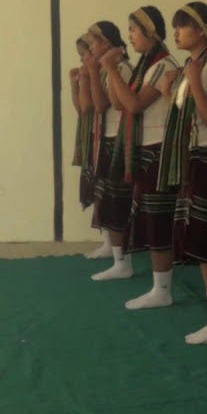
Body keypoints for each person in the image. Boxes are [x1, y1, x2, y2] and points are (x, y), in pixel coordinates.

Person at [156, 2, 207, 345]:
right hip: (196, 155)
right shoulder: (193, 66)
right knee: (198, 233)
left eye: (182, 26)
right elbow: (185, 113)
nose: (176, 32)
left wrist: (193, 82)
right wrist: (170, 89)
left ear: (202, 30)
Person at [106, 7, 181, 309]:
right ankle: (158, 286)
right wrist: (112, 71)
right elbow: (118, 103)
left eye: (134, 30)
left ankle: (162, 289)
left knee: (158, 219)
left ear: (151, 32)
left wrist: (112, 70)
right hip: (145, 149)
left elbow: (134, 105)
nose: (130, 36)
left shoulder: (163, 64)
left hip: (158, 149)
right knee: (150, 217)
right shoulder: (145, 65)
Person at [85, 22, 136, 281]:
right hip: (108, 138)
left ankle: (122, 261)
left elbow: (103, 105)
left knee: (117, 201)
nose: (90, 49)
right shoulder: (108, 69)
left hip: (120, 140)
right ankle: (115, 253)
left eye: (93, 43)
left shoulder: (122, 68)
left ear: (106, 43)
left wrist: (94, 73)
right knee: (106, 197)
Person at [70, 36, 102, 258]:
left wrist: (86, 77)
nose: (82, 60)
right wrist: (74, 84)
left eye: (85, 54)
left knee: (105, 191)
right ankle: (109, 243)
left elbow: (90, 105)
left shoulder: (101, 73)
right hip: (91, 135)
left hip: (102, 137)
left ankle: (118, 250)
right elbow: (81, 108)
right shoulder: (91, 73)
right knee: (97, 189)